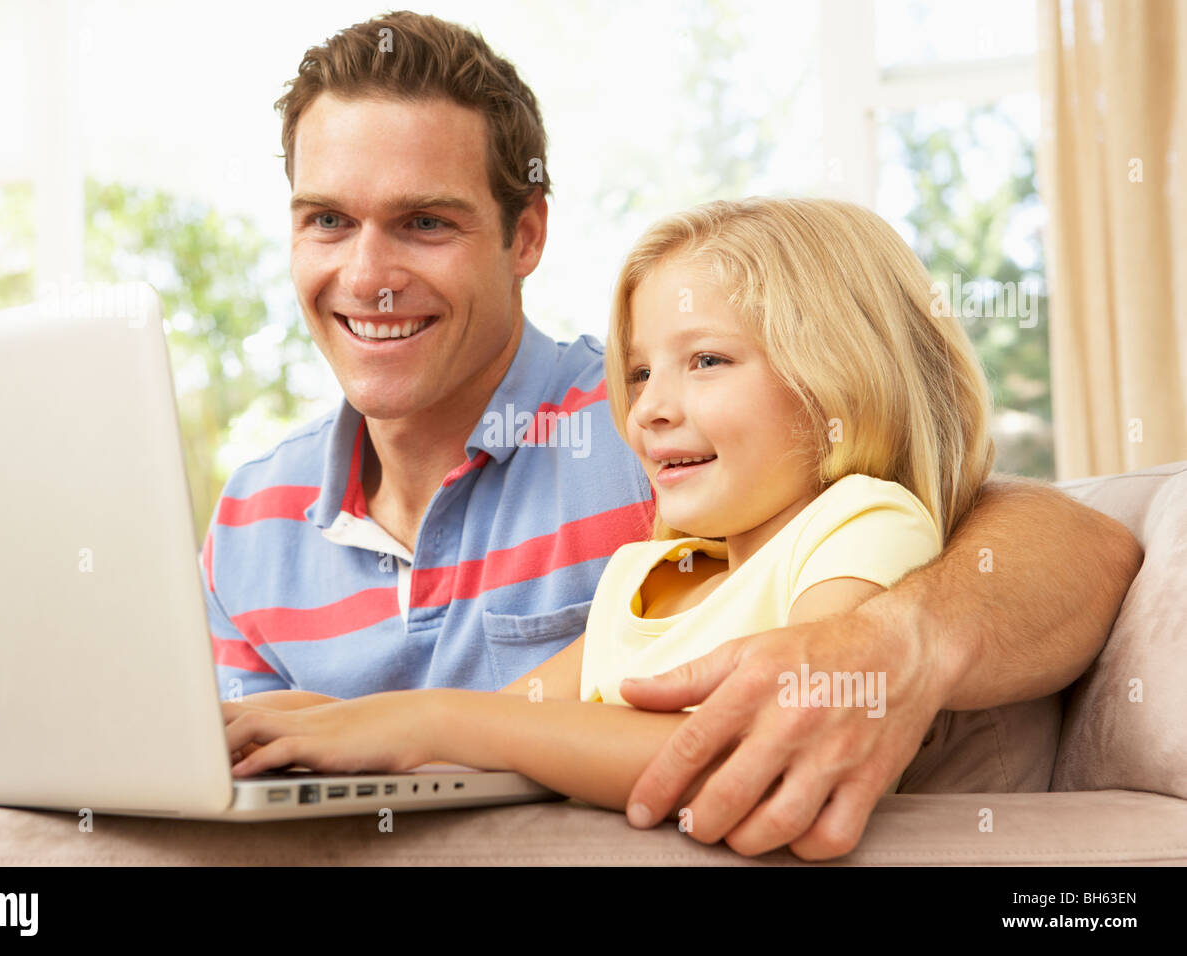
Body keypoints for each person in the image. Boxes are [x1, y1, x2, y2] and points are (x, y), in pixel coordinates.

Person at [205, 11, 1142, 859]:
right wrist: (346, 728)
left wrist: (906, 643)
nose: (369, 274)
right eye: (326, 220)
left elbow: (1065, 538)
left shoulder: (678, 463)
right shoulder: (249, 517)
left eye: (424, 222)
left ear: (525, 233)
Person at [222, 195, 999, 815]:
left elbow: (754, 746)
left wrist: (425, 720)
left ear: (842, 377)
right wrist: (333, 730)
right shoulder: (641, 574)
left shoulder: (861, 525)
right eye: (636, 374)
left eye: (706, 360)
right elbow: (508, 718)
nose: (648, 410)